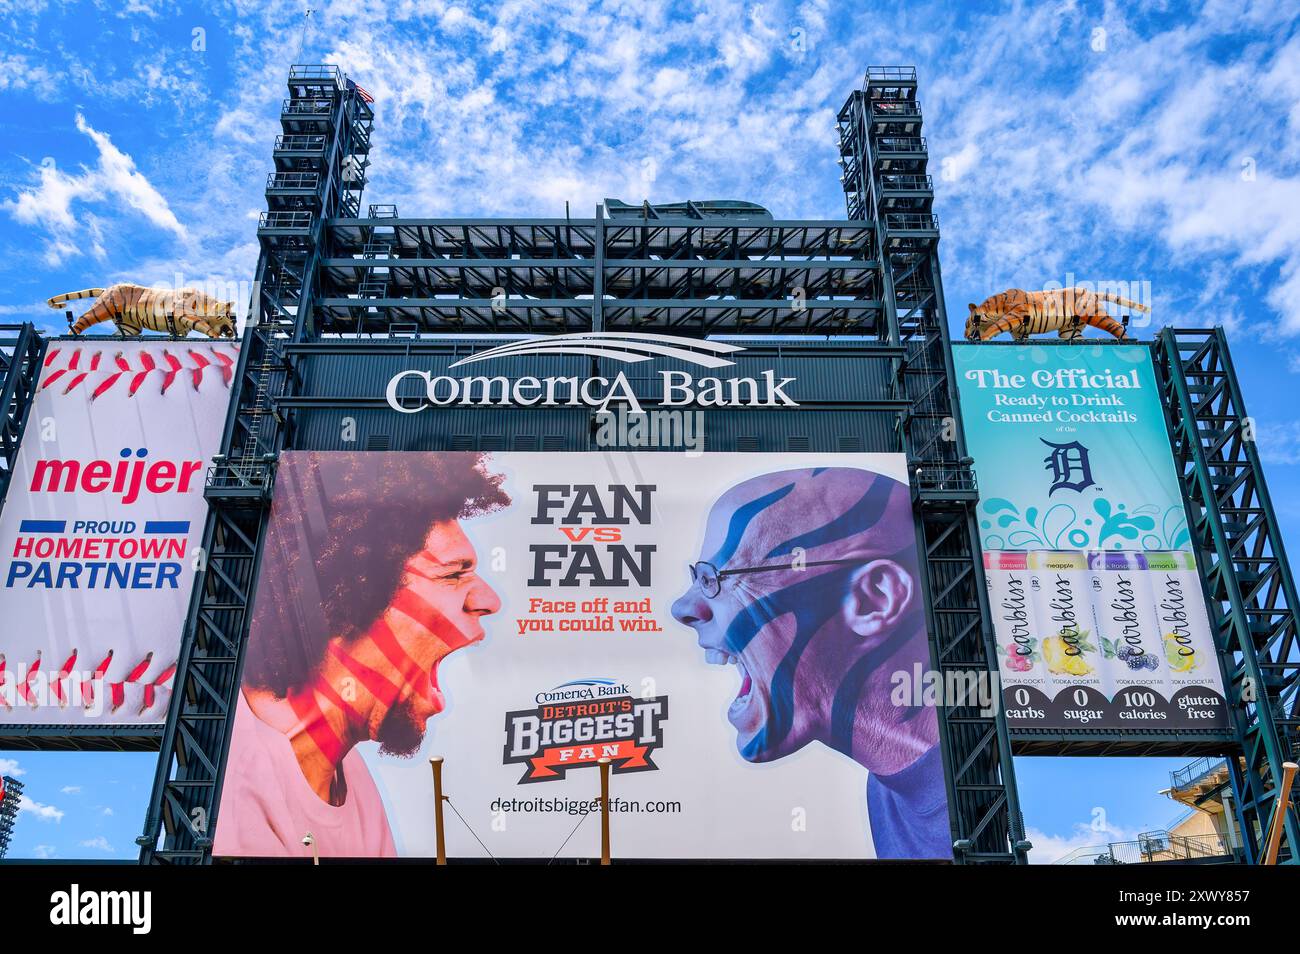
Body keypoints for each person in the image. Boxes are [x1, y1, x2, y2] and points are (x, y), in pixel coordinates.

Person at [213, 451, 508, 857]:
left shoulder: (350, 779)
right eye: (453, 573)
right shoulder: (233, 781)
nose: (489, 600)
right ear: (354, 592)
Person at [670, 466, 950, 859]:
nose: (683, 608)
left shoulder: (1000, 781)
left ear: (875, 600)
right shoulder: (886, 792)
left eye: (715, 579)